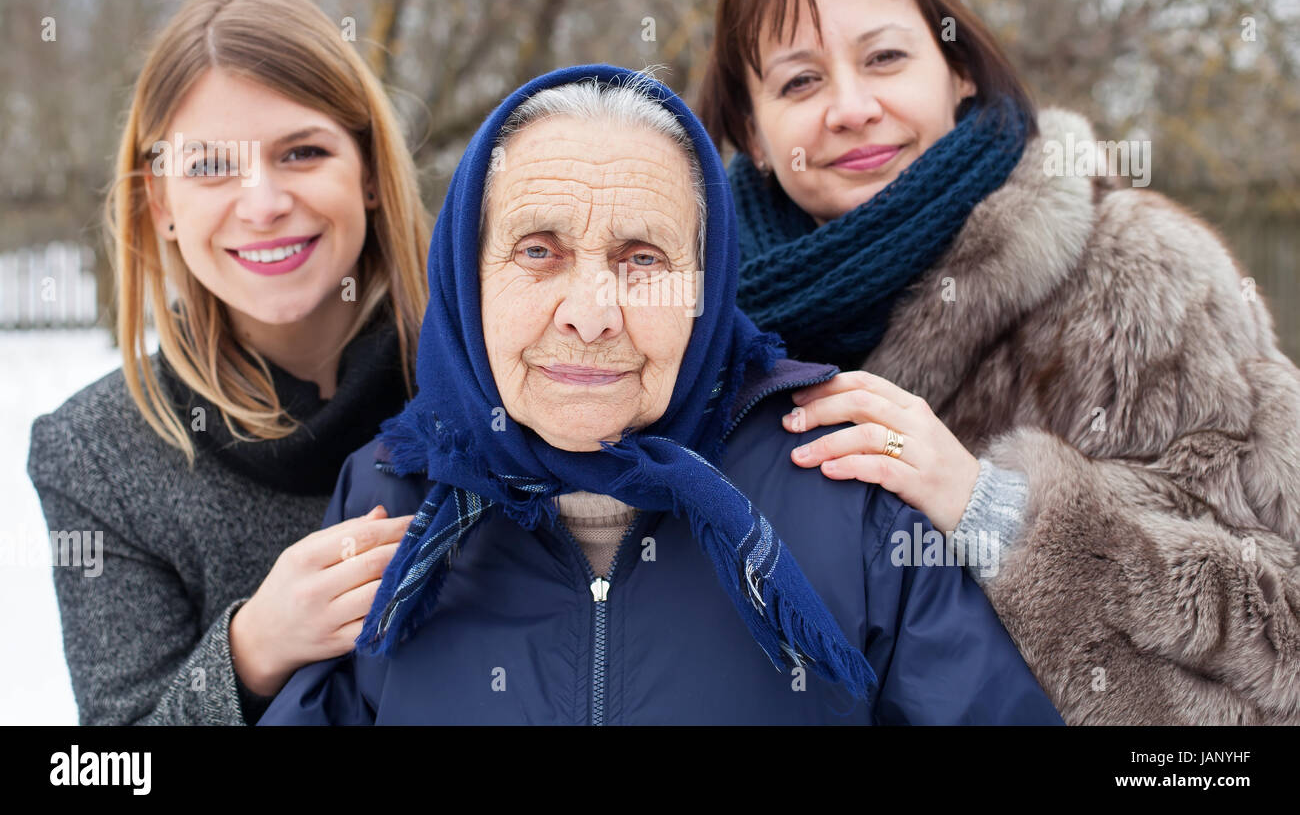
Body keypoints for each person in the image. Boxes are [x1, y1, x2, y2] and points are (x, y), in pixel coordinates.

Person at [258, 65, 1063, 725]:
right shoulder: (386, 498)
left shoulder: (842, 485)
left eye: (643, 259)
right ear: (468, 279)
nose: (589, 315)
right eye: (538, 251)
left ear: (707, 289)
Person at [697, 0, 1300, 724]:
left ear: (958, 74)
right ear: (753, 135)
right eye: (800, 82)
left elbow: (1283, 636)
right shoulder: (700, 344)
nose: (851, 107)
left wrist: (992, 514)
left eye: (885, 58)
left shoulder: (1142, 277)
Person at [27, 0, 430, 724]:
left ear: (368, 173)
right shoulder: (96, 456)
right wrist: (250, 651)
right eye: (211, 166)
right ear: (162, 203)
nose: (263, 202)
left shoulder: (496, 390)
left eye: (302, 152)